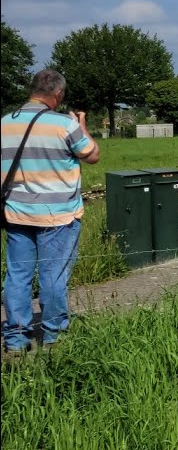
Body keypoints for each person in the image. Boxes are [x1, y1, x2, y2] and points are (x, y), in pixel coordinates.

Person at [2, 69, 99, 352]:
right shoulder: (64, 125)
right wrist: (81, 125)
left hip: (16, 213)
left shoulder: (4, 123)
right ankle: (54, 335)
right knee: (53, 275)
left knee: (17, 276)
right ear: (58, 94)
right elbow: (92, 155)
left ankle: (16, 338)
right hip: (58, 215)